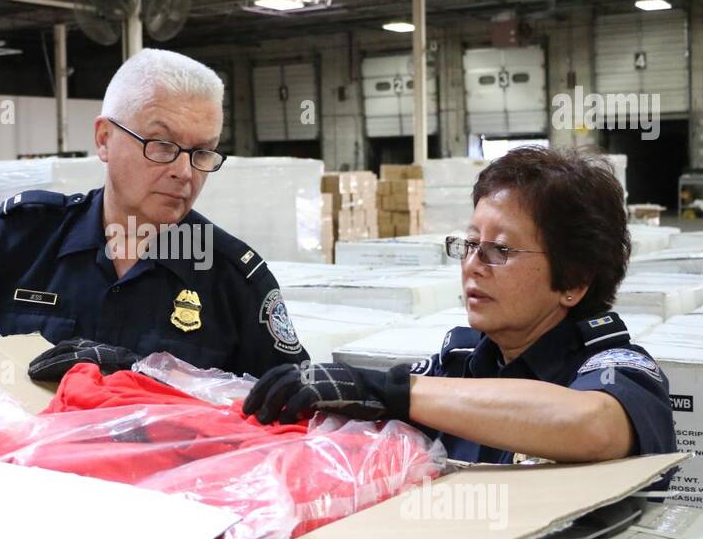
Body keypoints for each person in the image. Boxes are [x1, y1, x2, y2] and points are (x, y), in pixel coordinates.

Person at [0, 48, 309, 379]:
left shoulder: (231, 276)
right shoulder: (21, 239)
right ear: (104, 139)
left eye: (202, 152)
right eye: (162, 144)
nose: (185, 172)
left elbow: (287, 408)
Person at [244, 147, 677, 475]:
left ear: (573, 282)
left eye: (499, 250)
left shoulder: (619, 369)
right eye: (470, 245)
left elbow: (593, 425)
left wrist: (388, 391)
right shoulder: (460, 364)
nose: (472, 264)